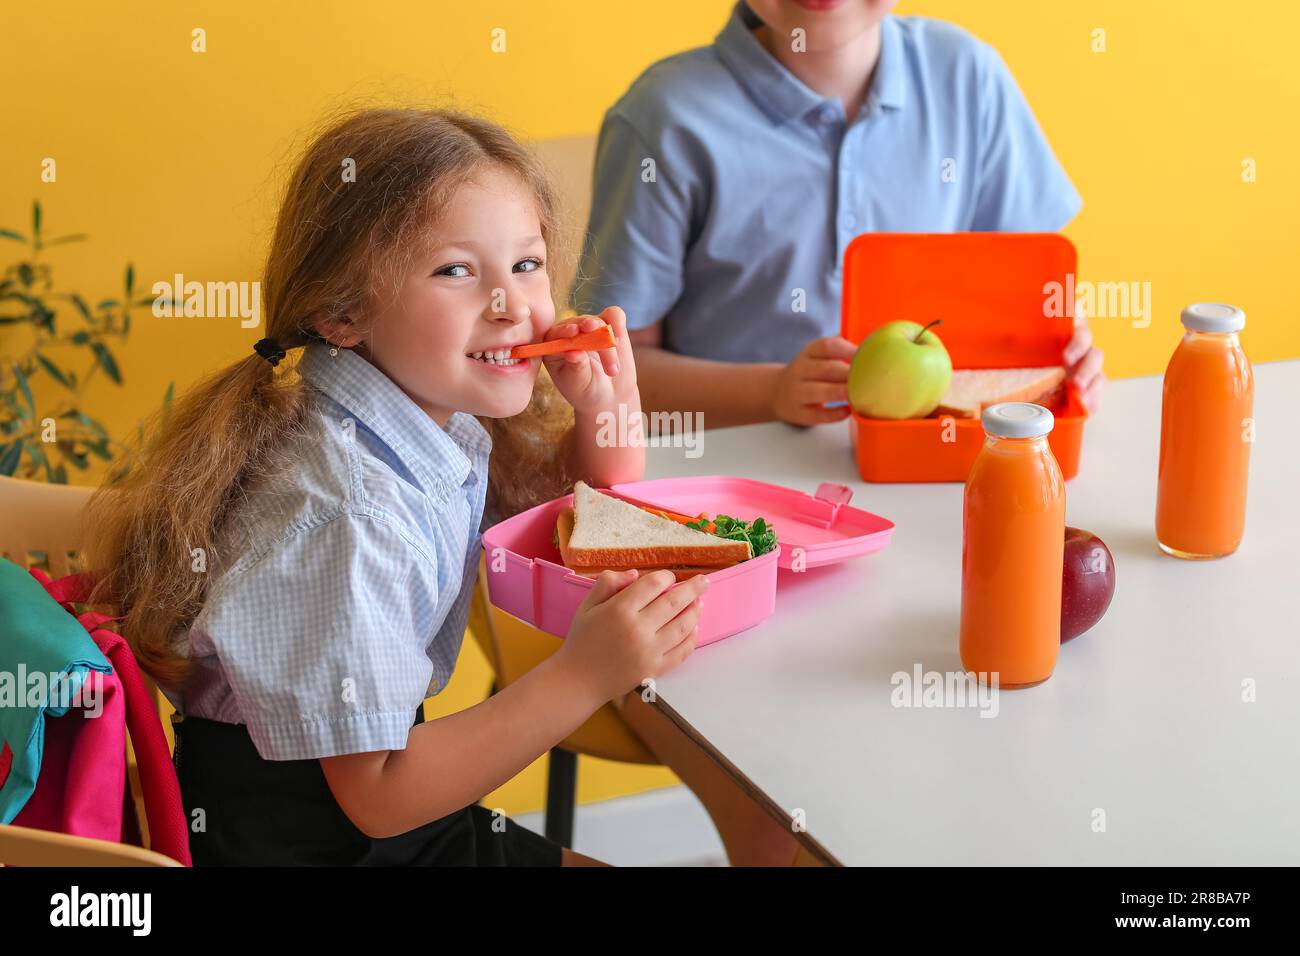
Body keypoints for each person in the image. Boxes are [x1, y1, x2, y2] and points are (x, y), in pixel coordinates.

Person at [83, 108, 707, 866]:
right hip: (318, 842)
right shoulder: (350, 513)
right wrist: (583, 677)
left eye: (527, 264)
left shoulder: (416, 422)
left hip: (389, 813)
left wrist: (605, 412)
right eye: (456, 271)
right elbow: (378, 798)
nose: (511, 305)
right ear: (343, 311)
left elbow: (573, 519)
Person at [574, 0, 1105, 428]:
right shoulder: (663, 118)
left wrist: (1066, 347)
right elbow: (615, 364)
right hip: (737, 482)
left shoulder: (970, 77)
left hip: (937, 465)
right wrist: (775, 393)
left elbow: (1025, 301)